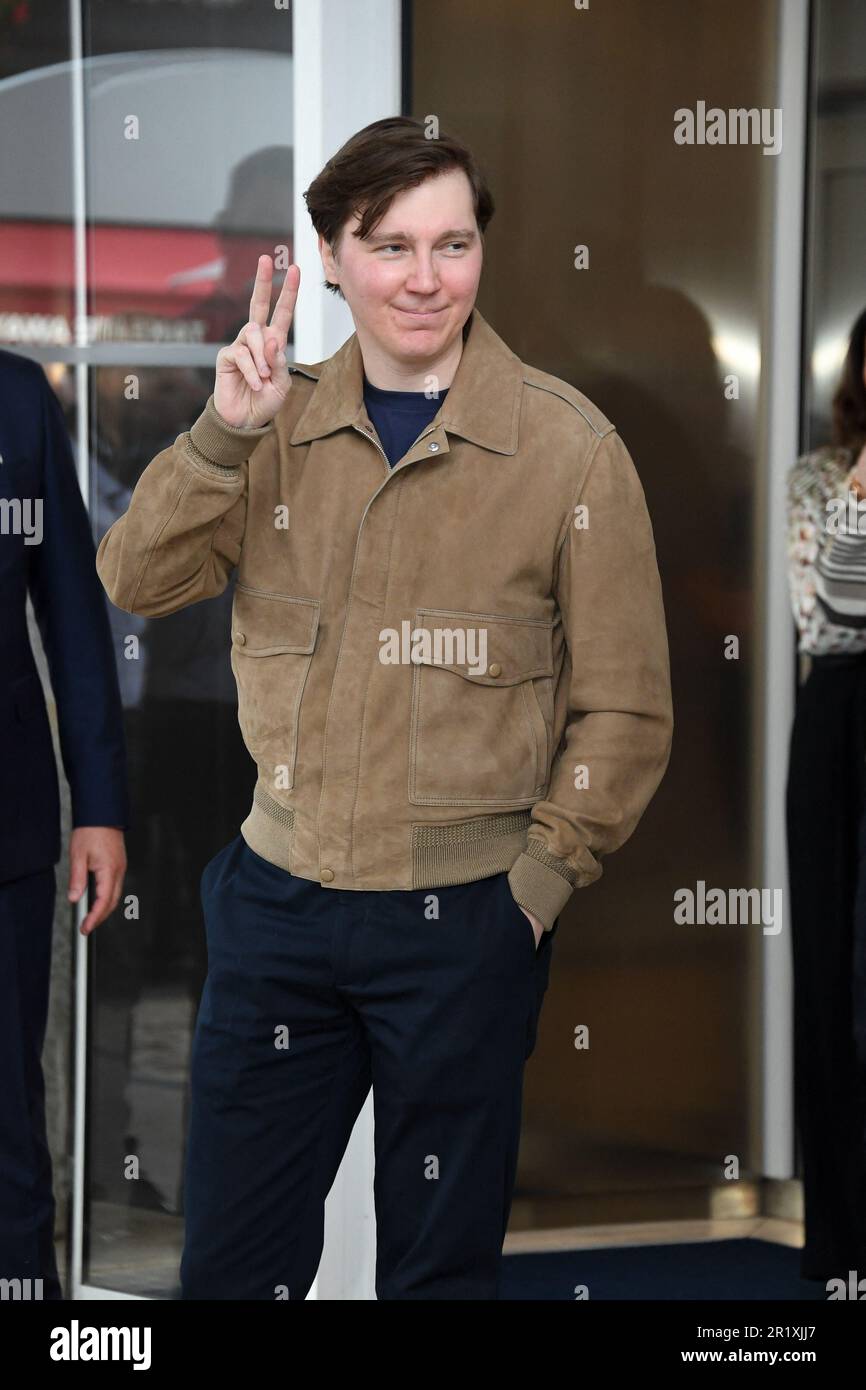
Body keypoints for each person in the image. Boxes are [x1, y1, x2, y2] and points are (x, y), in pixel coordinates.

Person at [96, 115, 673, 1300]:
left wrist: (535, 889)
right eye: (392, 244)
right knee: (233, 1267)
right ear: (329, 255)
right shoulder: (270, 427)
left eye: (451, 245)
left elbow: (625, 712)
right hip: (277, 915)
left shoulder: (568, 453)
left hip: (463, 928)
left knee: (434, 1274)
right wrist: (220, 435)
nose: (424, 278)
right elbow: (135, 582)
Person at [0, 350, 129, 1299]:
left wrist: (101, 808)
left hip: (5, 836)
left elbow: (76, 615)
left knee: (8, 1133)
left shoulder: (15, 399)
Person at [785, 304, 866, 1281]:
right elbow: (829, 615)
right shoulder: (813, 476)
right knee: (830, 972)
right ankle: (844, 1245)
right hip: (839, 725)